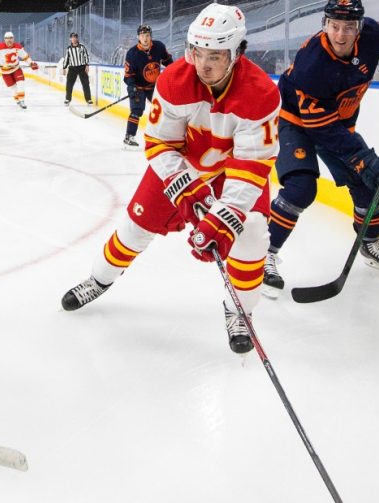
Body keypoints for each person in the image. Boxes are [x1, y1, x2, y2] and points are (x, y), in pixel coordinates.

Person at [61, 3, 280, 354]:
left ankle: (240, 310)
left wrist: (228, 214)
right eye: (197, 52)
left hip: (232, 171)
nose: (203, 65)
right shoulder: (175, 80)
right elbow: (161, 143)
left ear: (237, 53)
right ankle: (99, 279)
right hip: (183, 162)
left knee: (252, 232)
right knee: (135, 225)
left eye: (215, 56)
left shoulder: (261, 93)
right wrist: (183, 184)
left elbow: (253, 161)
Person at [263, 0, 379, 297]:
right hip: (296, 121)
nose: (341, 35)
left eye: (348, 27)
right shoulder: (312, 64)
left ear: (359, 27)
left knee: (368, 182)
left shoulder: (371, 34)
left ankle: (369, 244)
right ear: (324, 25)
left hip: (337, 123)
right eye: (334, 26)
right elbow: (321, 128)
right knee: (301, 188)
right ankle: (263, 254)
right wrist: (361, 157)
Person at [122, 25, 173, 149]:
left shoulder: (159, 47)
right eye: (142, 36)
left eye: (147, 35)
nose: (145, 38)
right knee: (136, 111)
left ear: (151, 36)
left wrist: (175, 71)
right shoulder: (132, 53)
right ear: (138, 37)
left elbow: (168, 62)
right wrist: (131, 87)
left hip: (154, 86)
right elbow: (128, 75)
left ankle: (164, 136)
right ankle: (129, 137)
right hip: (138, 87)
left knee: (164, 109)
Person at [0, 31, 39, 109]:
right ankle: (18, 100)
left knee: (21, 83)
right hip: (5, 72)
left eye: (11, 38)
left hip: (16, 69)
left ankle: (22, 100)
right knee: (14, 88)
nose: (9, 40)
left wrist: (31, 63)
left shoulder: (18, 47)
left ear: (13, 39)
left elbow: (25, 56)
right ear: (4, 39)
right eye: (7, 38)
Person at [62, 32, 92, 105]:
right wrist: (64, 67)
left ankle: (88, 99)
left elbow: (86, 56)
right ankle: (67, 99)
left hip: (82, 67)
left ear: (77, 38)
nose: (74, 39)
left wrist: (87, 65)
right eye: (72, 38)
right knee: (69, 84)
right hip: (72, 68)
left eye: (75, 37)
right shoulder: (69, 49)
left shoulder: (82, 47)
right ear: (70, 39)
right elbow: (66, 58)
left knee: (85, 83)